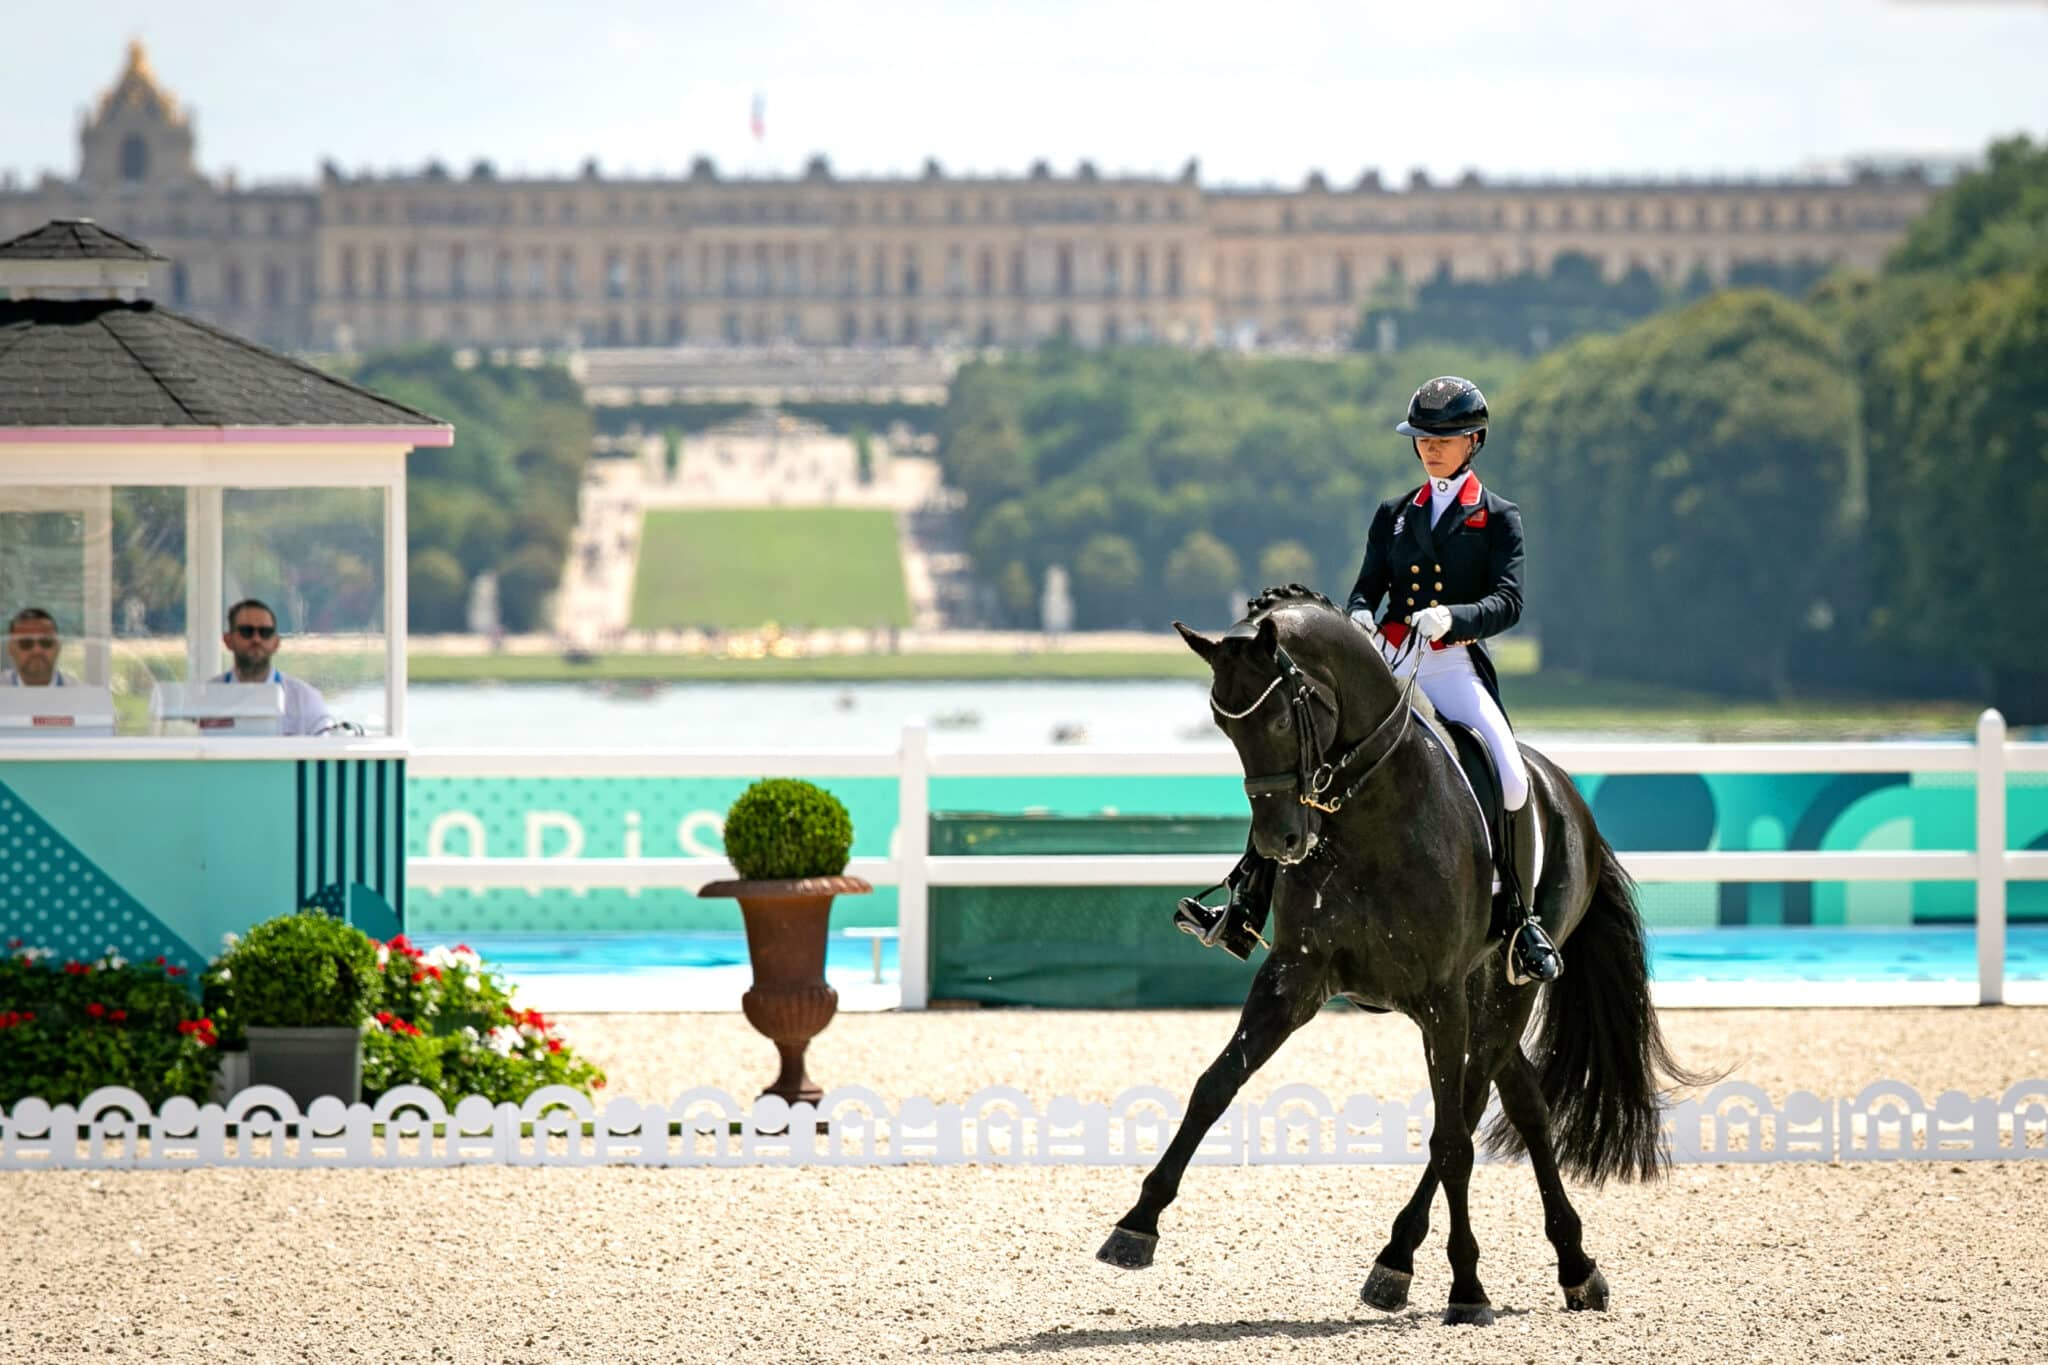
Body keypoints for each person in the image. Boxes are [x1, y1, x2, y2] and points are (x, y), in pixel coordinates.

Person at [1176, 376, 1562, 986]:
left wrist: (1455, 618)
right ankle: (1247, 902)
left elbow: (1509, 602)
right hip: (1386, 662)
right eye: (1424, 439)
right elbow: (1368, 585)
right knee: (1305, 756)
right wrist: (1359, 616)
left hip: (1452, 665)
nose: (1431, 449)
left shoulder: (1497, 518)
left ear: (1474, 441)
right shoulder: (1395, 515)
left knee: (1511, 775)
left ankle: (1520, 919)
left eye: (1445, 438)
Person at [218, 599, 337, 737]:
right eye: (247, 631)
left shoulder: (305, 699)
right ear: (228, 640)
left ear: (276, 643)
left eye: (265, 632)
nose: (256, 639)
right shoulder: (207, 697)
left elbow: (325, 750)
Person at [3, 608, 78, 687]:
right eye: (26, 643)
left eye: (46, 641)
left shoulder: (82, 694)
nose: (37, 650)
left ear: (58, 646)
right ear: (10, 648)